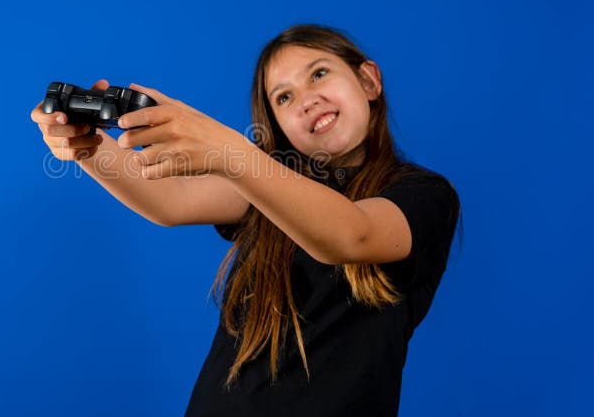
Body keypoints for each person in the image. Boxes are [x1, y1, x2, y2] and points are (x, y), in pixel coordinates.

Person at [30, 24, 462, 416]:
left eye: (319, 74)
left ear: (368, 80)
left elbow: (352, 233)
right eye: (284, 97)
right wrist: (90, 148)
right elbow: (169, 199)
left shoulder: (424, 196)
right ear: (277, 123)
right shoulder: (270, 184)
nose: (307, 100)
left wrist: (230, 153)